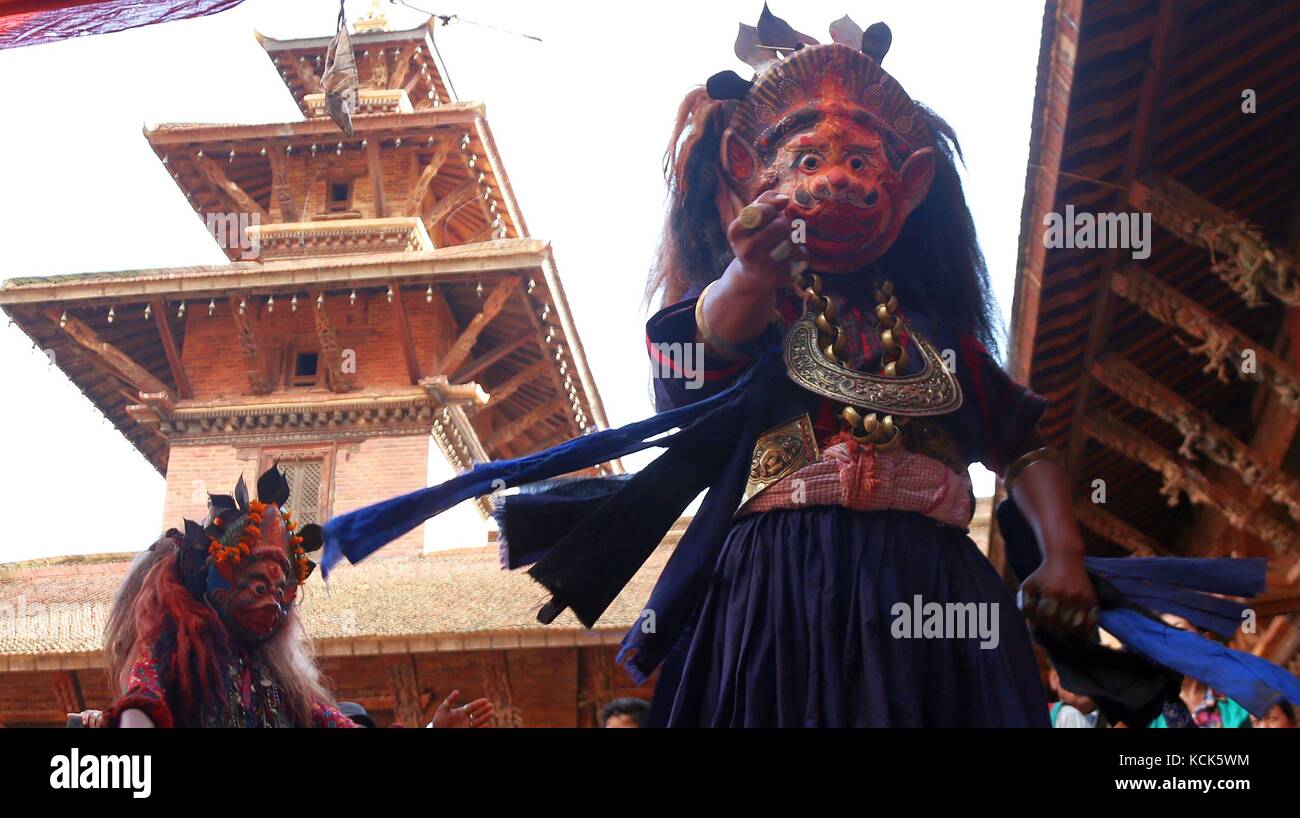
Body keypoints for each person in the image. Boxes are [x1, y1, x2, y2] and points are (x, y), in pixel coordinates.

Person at [101, 466, 355, 727]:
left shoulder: (283, 684)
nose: (272, 604)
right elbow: (144, 700)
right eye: (258, 588)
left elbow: (327, 718)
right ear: (221, 578)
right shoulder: (178, 658)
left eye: (279, 593)